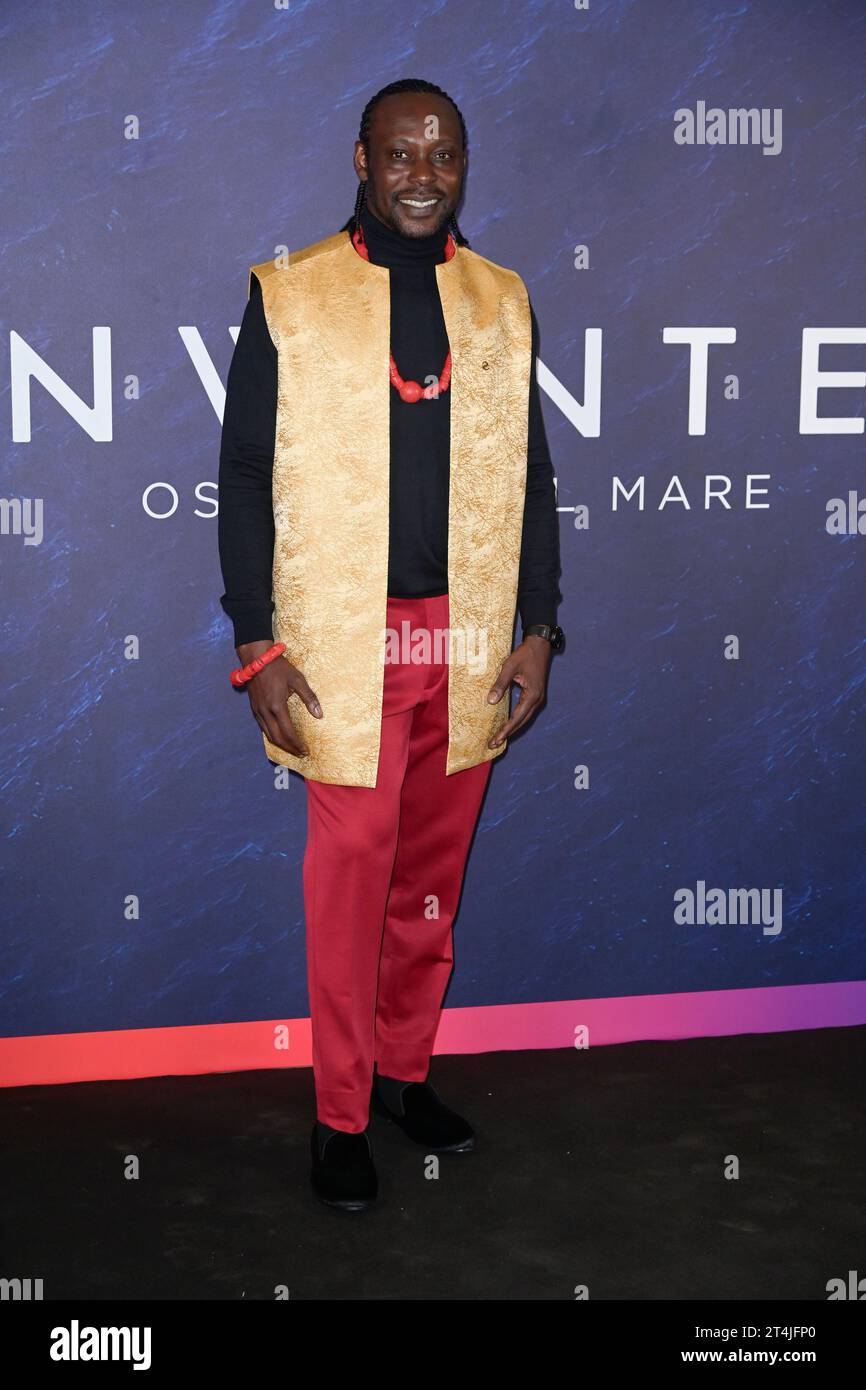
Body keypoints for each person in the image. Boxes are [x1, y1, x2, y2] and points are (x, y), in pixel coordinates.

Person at [218, 78, 564, 1212]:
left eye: (445, 155)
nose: (424, 173)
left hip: (466, 647)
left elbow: (531, 476)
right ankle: (336, 1116)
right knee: (350, 888)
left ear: (465, 167)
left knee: (427, 889)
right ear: (360, 160)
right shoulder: (291, 293)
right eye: (402, 153)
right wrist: (258, 647)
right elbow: (244, 479)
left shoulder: (501, 301)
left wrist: (537, 629)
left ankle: (406, 1076)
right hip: (340, 650)